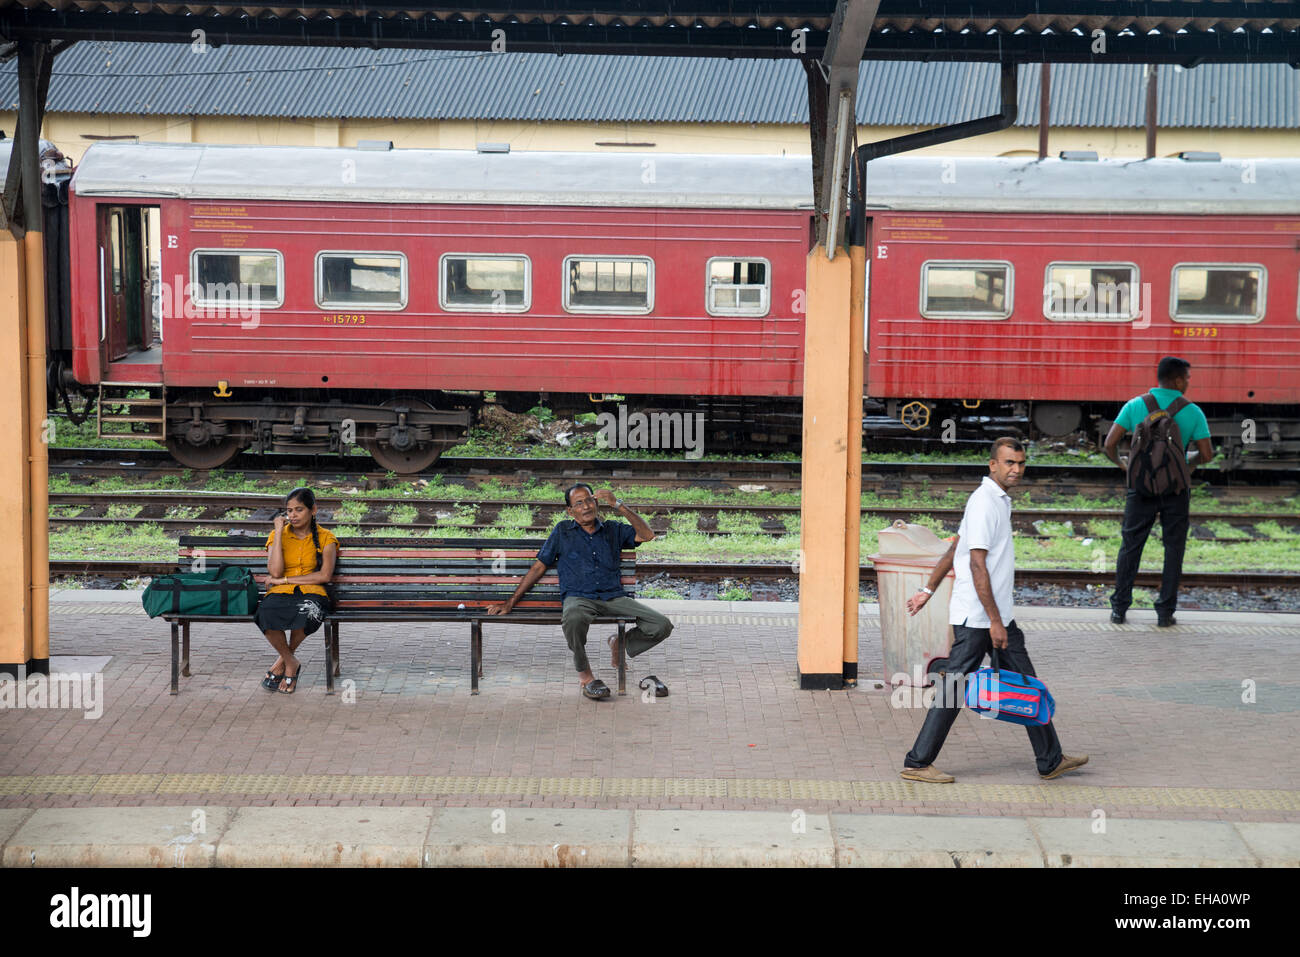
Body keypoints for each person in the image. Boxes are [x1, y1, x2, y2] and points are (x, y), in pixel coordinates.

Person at [899, 437, 1089, 783]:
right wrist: (996, 623)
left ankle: (1050, 759)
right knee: (955, 688)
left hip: (996, 616)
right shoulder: (985, 502)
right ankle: (917, 762)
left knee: (1029, 684)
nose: (1016, 469)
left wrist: (928, 590)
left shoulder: (997, 500)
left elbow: (953, 549)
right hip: (979, 619)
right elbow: (974, 564)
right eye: (1008, 463)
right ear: (993, 465)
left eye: (1020, 463)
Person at [487, 484, 672, 701]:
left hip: (612, 596)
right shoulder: (562, 531)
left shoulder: (613, 529)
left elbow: (647, 534)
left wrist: (618, 505)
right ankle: (586, 677)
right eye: (579, 503)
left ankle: (620, 642)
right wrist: (510, 602)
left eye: (589, 500)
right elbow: (539, 566)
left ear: (597, 503)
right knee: (572, 618)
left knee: (662, 625)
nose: (586, 506)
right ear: (570, 511)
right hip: (579, 597)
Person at [1103, 356, 1214, 626]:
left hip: (1141, 488)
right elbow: (1207, 454)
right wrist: (1185, 465)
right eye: (1187, 378)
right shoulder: (1192, 411)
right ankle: (1165, 613)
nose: (1188, 382)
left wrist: (1124, 465)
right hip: (1176, 489)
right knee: (1173, 549)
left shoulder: (1135, 405)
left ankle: (1119, 609)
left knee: (1130, 546)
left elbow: (1109, 445)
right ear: (1177, 380)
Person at [253, 486, 339, 694]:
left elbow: (324, 576)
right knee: (265, 613)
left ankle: (283, 661)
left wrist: (283, 580)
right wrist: (280, 532)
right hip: (280, 593)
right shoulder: (277, 534)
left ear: (313, 510)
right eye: (289, 511)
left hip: (313, 593)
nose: (293, 515)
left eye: (299, 510)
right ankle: (291, 662)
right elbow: (274, 570)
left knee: (310, 612)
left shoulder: (326, 538)